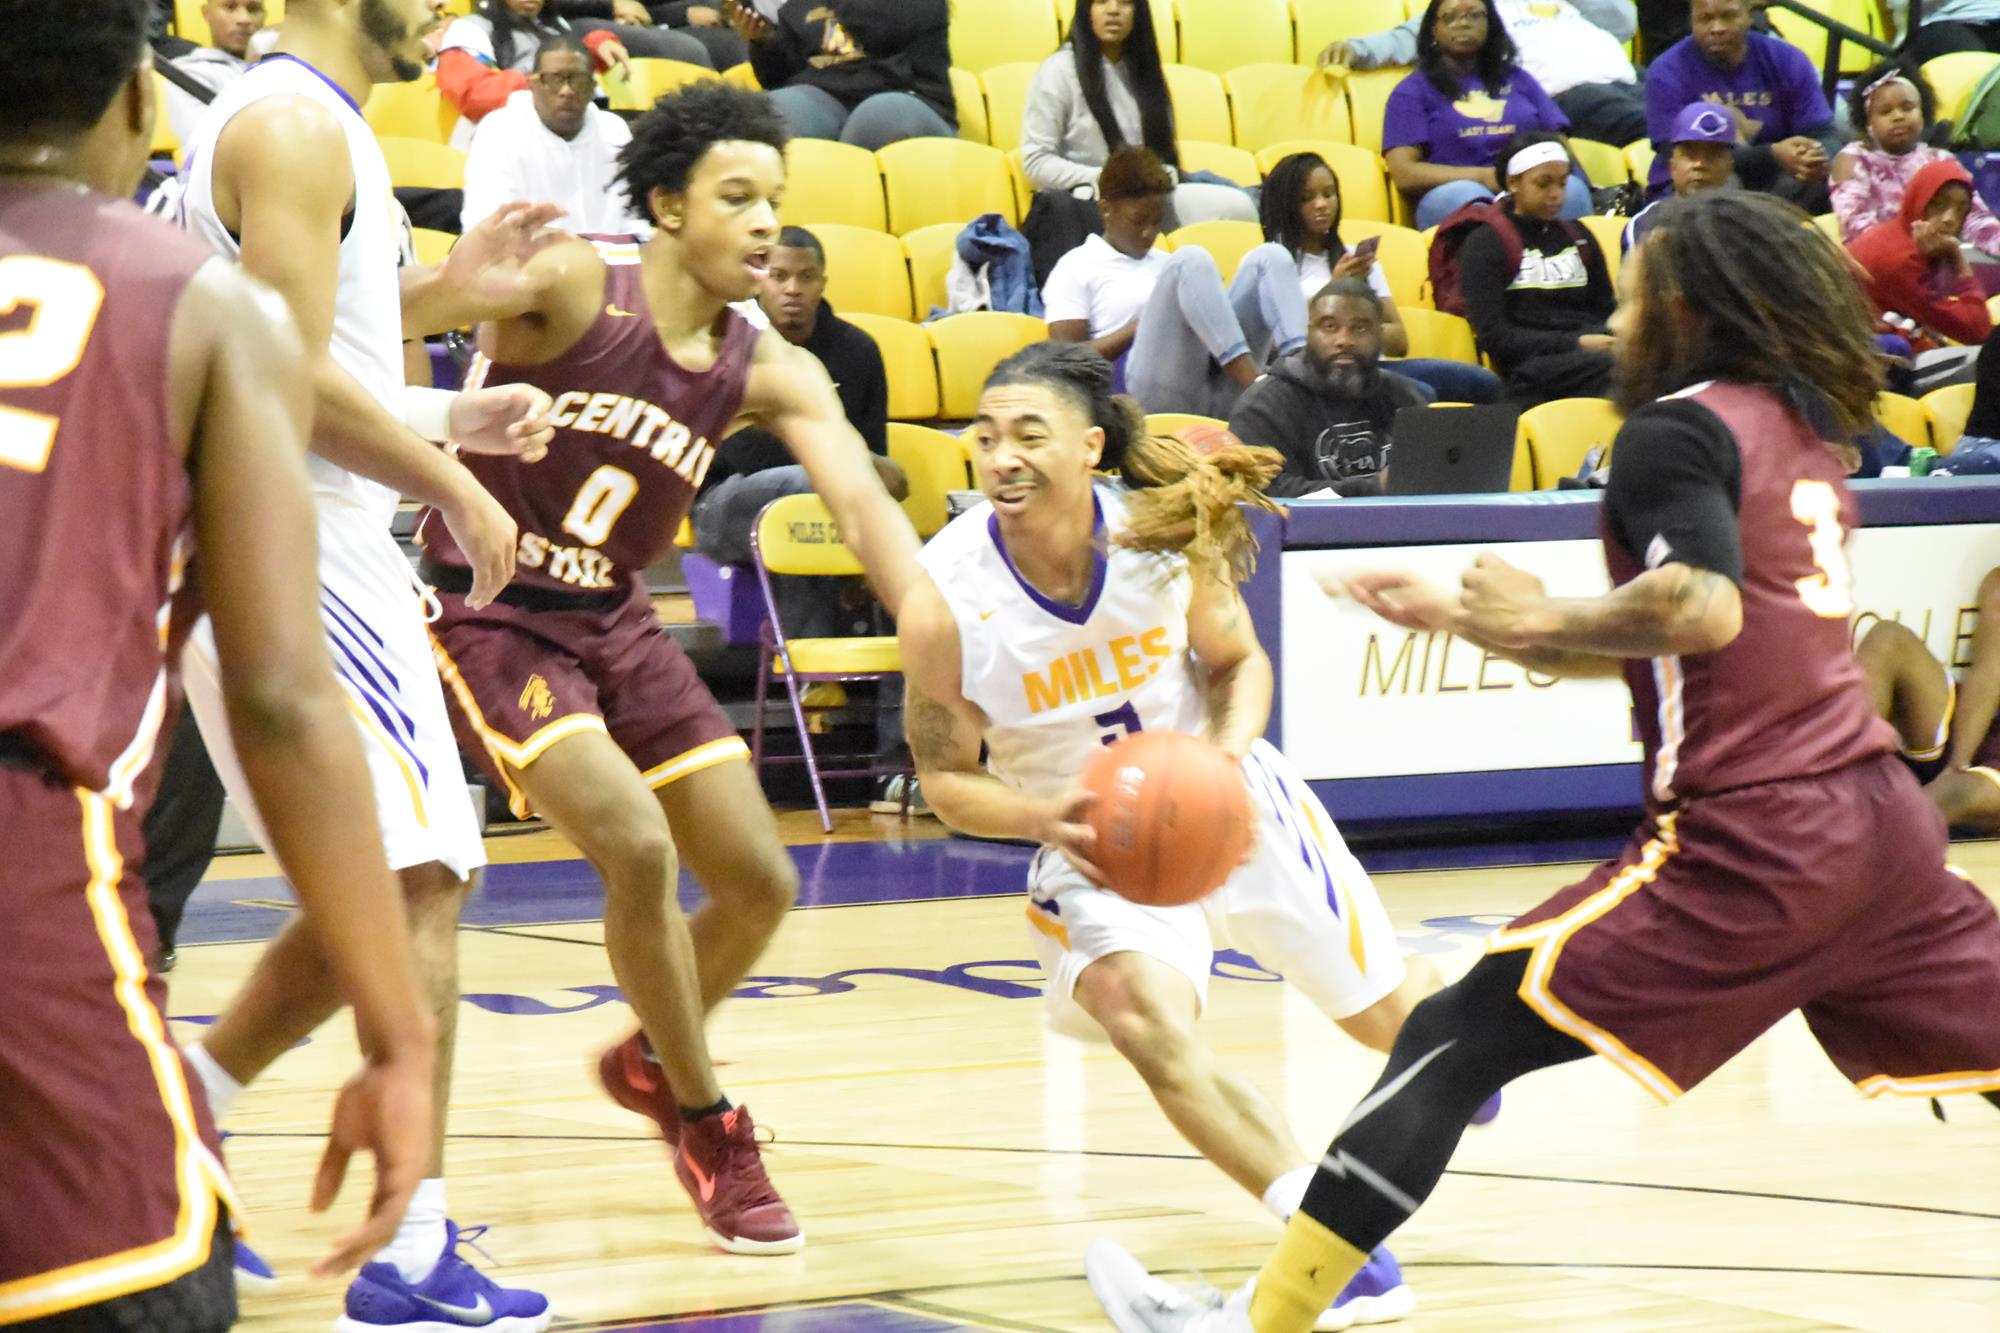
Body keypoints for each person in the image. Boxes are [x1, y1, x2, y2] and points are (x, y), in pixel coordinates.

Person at [1085, 187, 2000, 1333]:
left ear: (1675, 297)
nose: (1612, 309)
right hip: (1882, 830)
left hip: (1761, 842)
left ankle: (1264, 1320)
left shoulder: (1673, 429)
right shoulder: (1798, 433)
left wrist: (1523, 618)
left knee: (1455, 1033)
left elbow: (1698, 610)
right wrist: (1470, 620)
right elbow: (1692, 643)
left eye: (1627, 282)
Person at [402, 81, 927, 1256]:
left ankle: (650, 1054)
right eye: (736, 197)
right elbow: (350, 326)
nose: (762, 223)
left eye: (774, 202)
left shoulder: (764, 363)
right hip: (490, 610)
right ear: (664, 204)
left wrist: (937, 620)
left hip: (618, 619)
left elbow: (861, 501)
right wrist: (443, 292)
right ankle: (707, 1122)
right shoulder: (571, 282)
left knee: (760, 881)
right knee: (636, 843)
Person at [0, 0, 436, 1324]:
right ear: (141, 102)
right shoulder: (197, 302)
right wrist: (396, 1033)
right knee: (136, 1291)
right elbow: (284, 699)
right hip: (27, 876)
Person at [901, 341, 1456, 1332]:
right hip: (1094, 849)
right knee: (1145, 1024)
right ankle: (1339, 1256)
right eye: (984, 438)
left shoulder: (1158, 536)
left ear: (1088, 444)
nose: (1000, 457)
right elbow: (943, 779)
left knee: (1393, 1027)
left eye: (1028, 433)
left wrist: (1220, 759)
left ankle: (1455, 1037)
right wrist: (1042, 816)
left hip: (1232, 802)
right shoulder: (943, 596)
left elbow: (1238, 662)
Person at [173, 0, 565, 1325]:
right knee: (415, 889)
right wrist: (452, 478)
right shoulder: (290, 127)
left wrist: (452, 383)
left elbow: (308, 340)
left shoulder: (297, 123)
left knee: (395, 890)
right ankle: (406, 1258)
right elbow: (274, 371)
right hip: (294, 538)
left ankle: (183, 1124)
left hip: (296, 534)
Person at [1045, 148, 1306, 417]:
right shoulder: (1076, 265)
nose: (1149, 233)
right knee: (1191, 259)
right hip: (1137, 396)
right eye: (1138, 221)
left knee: (1270, 256)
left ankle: (1304, 374)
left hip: (1211, 383)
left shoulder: (1163, 261)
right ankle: (1258, 386)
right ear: (1106, 209)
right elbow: (1066, 358)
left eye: (1157, 222)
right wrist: (1137, 327)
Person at [1258, 151, 1500, 404]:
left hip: (1374, 368)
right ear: (1285, 203)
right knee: (1419, 394)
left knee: (1483, 383)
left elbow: (1398, 341)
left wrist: (1359, 319)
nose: (1322, 204)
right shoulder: (1272, 263)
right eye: (1307, 198)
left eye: (1328, 194)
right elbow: (1278, 346)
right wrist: (1336, 291)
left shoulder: (1356, 259)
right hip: (1316, 375)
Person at [1020, 0, 1255, 228]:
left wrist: (1160, 174)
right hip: (1091, 201)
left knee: (1240, 207)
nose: (1113, 10)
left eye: (1125, 2)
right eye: (1101, 1)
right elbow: (1036, 162)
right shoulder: (1057, 71)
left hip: (1149, 196)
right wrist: (1105, 178)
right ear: (1086, 10)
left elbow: (1161, 154)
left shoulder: (1144, 69)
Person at [1320, 0, 1647, 149]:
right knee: (1661, 121)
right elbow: (1408, 37)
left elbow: (1624, 21)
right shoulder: (1475, 10)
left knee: (1683, 102)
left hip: (1629, 76)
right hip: (1569, 92)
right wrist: (1357, 49)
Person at [1381, 0, 1593, 230]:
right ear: (1433, 29)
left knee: (1572, 190)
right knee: (1472, 198)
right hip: (1456, 190)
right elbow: (1404, 172)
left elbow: (1558, 140)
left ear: (1490, 24)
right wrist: (1483, 176)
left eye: (1474, 15)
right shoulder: (1412, 91)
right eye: (1450, 17)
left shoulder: (1518, 78)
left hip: (1529, 184)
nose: (1463, 23)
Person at [1227, 280, 1434, 497]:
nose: (1344, 340)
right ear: (1309, 333)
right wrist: (1371, 488)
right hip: (1307, 530)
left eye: (1360, 328)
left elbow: (1436, 473)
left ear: (1380, 334)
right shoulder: (1262, 406)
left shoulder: (1403, 395)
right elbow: (1265, 493)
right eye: (1329, 327)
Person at [1458, 133, 1618, 406]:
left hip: (1594, 355)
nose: (1556, 194)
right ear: (1513, 183)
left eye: (1563, 183)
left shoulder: (1579, 235)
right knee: (1621, 370)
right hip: (1530, 372)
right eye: (1543, 184)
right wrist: (1577, 343)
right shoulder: (1485, 242)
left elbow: (1608, 310)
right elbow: (1496, 337)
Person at [1642, 0, 1839, 211]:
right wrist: (1772, 155)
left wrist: (1813, 157)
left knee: (1834, 175)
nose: (1717, 28)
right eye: (1705, 19)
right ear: (1691, 20)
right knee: (1722, 187)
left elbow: (1823, 133)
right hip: (1691, 189)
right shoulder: (1666, 71)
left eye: (1729, 16)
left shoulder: (1787, 59)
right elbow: (1677, 154)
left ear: (1749, 16)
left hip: (1775, 184)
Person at [438, 0, 712, 141]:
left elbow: (574, 67)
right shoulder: (470, 28)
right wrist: (551, 81)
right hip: (511, 139)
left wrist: (594, 47)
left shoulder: (553, 25)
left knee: (674, 125)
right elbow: (475, 93)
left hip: (576, 131)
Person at [461, 33, 647, 234]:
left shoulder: (614, 131)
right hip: (523, 262)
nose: (566, 91)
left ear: (593, 87)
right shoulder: (499, 130)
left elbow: (633, 221)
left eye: (577, 80)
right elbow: (488, 230)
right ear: (532, 85)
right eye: (554, 79)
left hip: (607, 260)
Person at [1858, 575, 2000, 836]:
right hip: (1984, 734)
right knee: (1888, 640)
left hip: (1988, 781)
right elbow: (1989, 673)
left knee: (1959, 793)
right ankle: (1836, 786)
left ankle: (1849, 839)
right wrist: (1958, 761)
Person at [728, 0, 955, 150]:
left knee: (877, 117)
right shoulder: (797, 6)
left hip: (909, 95)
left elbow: (885, 27)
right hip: (832, 96)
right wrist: (762, 41)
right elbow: (780, 78)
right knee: (770, 113)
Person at [1847, 158, 1992, 389]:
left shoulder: (1899, 236)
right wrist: (1958, 260)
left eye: (1961, 211)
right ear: (1918, 200)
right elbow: (1977, 329)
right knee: (1992, 362)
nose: (1949, 219)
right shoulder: (1899, 258)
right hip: (1865, 362)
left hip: (1893, 346)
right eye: (1939, 204)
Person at [1833, 62, 2000, 254]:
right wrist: (1914, 251)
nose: (1898, 116)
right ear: (1867, 121)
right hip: (1877, 265)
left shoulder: (1941, 159)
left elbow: (1975, 219)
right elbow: (1856, 228)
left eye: (1907, 107)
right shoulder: (1853, 160)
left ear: (1922, 114)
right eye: (1885, 111)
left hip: (1938, 260)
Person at [1622, 100, 1737, 252]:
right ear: (1672, 166)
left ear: (1729, 166)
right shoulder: (1645, 225)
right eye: (1689, 154)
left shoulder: (1749, 223)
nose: (1700, 164)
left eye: (1713, 154)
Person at [161, 0, 267, 142]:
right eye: (230, 7)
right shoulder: (187, 74)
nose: (244, 19)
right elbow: (204, 147)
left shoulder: (284, 69)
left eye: (253, 9)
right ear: (206, 13)